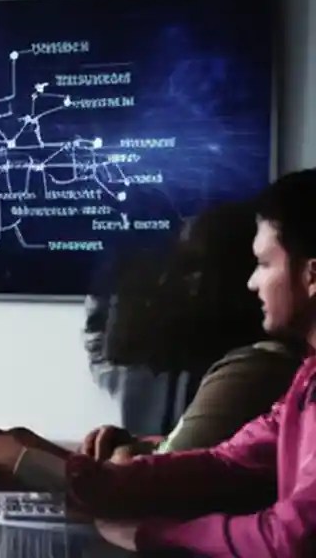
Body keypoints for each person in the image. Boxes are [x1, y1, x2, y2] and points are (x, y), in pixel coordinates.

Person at [0, 168, 316, 555]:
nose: (252, 282)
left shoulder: (264, 371)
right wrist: (37, 463)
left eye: (264, 264)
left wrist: (149, 533)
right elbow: (225, 463)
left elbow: (289, 539)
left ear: (311, 275)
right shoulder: (306, 379)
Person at [68, 200, 302, 469]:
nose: (173, 282)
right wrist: (140, 445)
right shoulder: (170, 356)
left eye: (193, 267)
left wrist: (125, 459)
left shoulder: (255, 368)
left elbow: (160, 480)